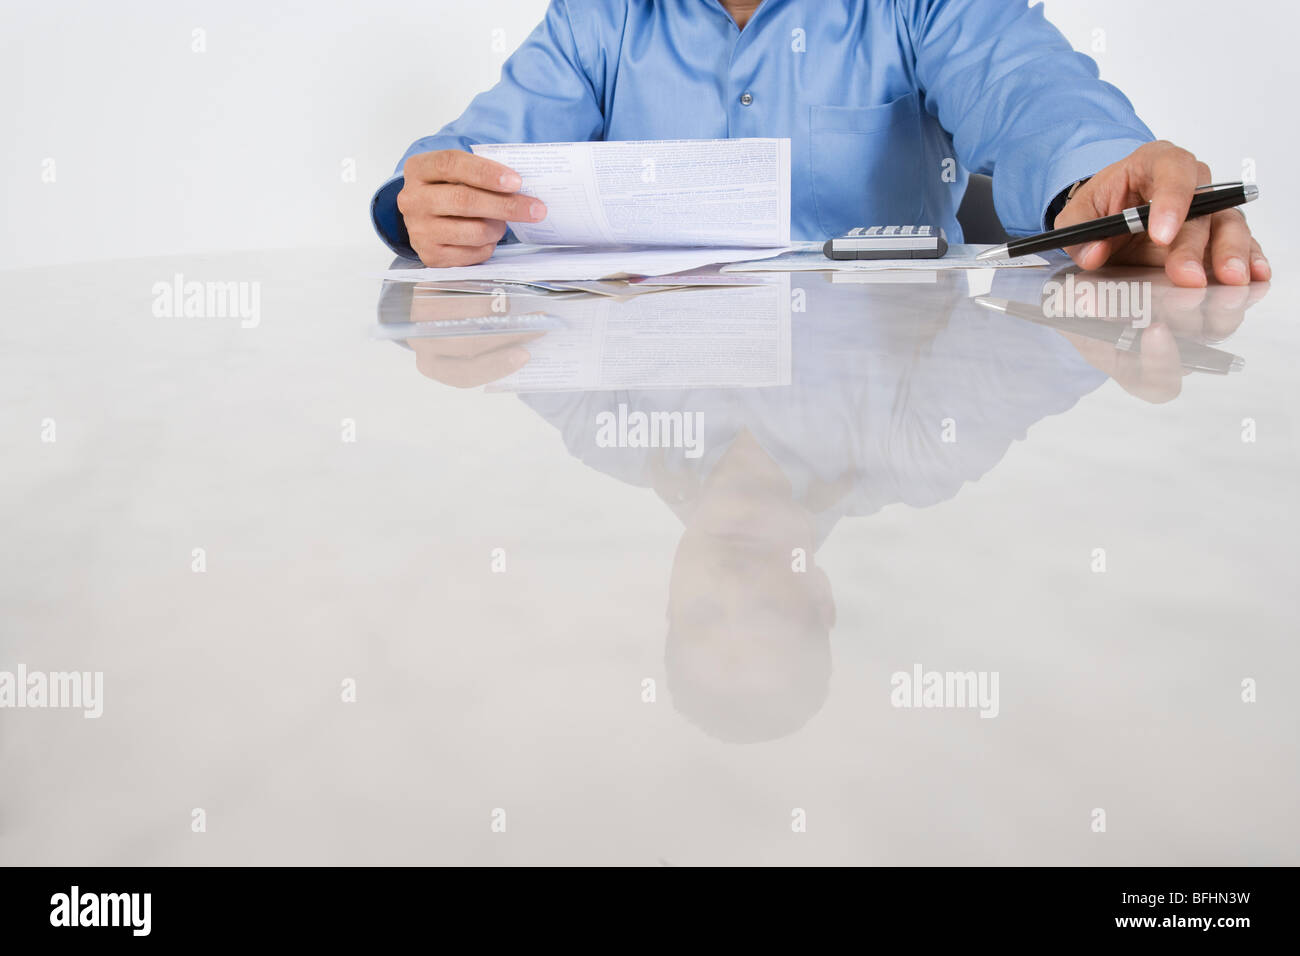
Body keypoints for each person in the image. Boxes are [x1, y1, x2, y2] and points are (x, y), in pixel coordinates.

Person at [371, 0, 1270, 287]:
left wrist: (1105, 180)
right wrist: (418, 210)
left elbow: (1028, 85)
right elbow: (468, 159)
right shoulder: (600, 17)